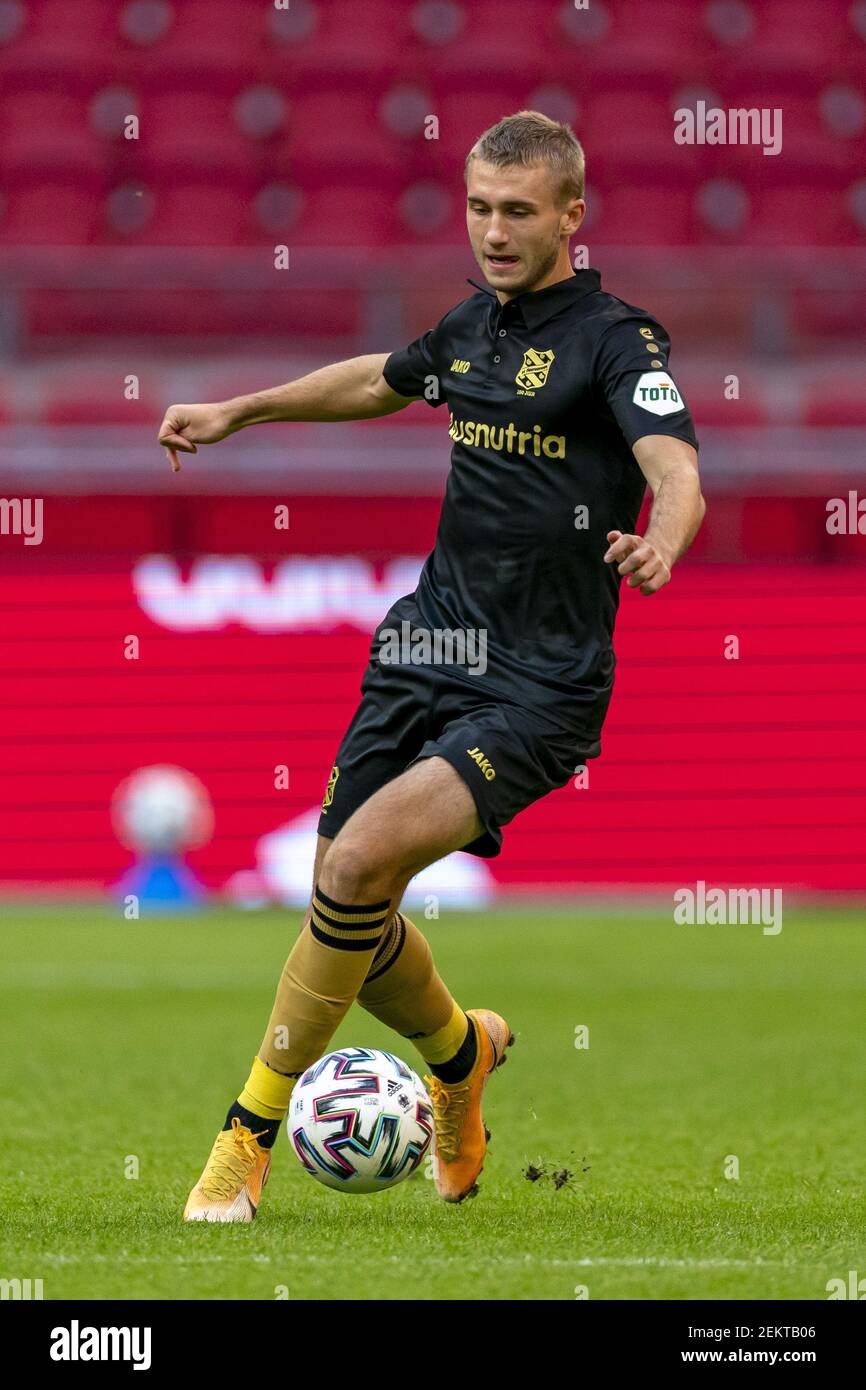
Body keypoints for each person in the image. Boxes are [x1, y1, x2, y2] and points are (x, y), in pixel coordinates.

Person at [157, 110, 705, 1221]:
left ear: (569, 216)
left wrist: (662, 538)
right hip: (423, 646)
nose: (494, 231)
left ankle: (243, 1136)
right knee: (342, 896)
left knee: (355, 866)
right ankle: (459, 1059)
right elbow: (382, 379)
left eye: (517, 211)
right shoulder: (470, 327)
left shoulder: (616, 340)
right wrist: (241, 411)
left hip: (540, 682)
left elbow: (673, 461)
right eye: (478, 208)